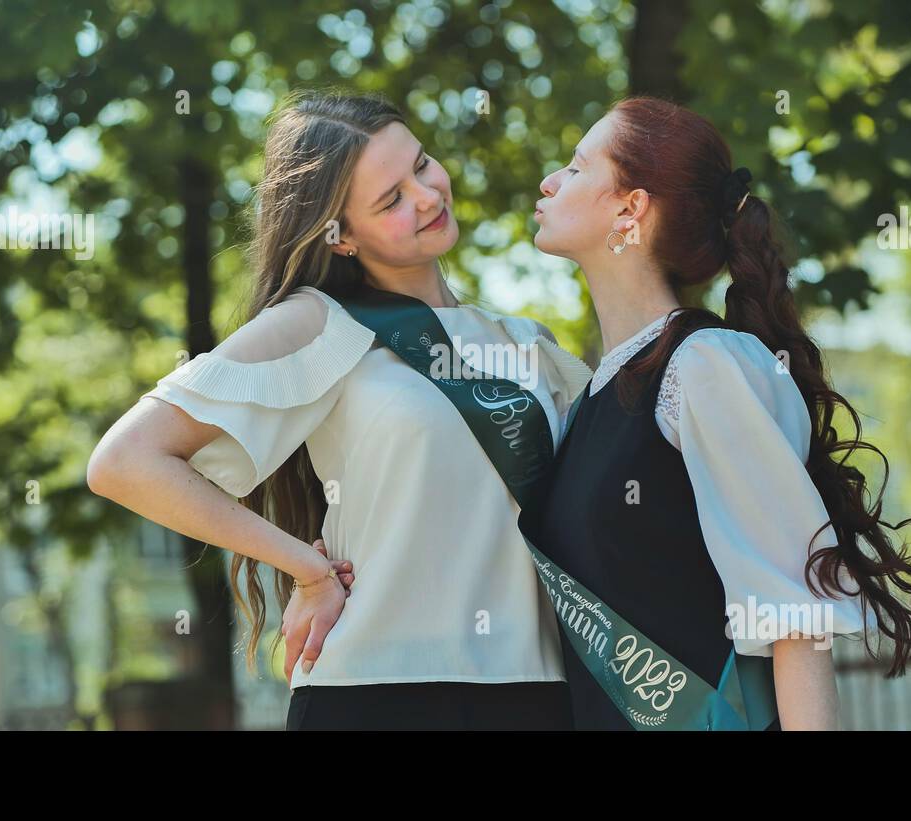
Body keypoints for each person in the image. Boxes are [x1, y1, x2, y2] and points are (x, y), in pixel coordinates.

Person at [88, 90, 593, 730]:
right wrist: (307, 570)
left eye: (422, 164)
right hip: (378, 693)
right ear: (341, 236)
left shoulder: (525, 342)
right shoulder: (320, 324)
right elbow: (124, 462)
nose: (428, 196)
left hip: (537, 693)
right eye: (391, 200)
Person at [520, 96, 911, 730]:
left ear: (630, 207)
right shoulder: (590, 395)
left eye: (575, 165)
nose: (550, 180)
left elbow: (794, 613)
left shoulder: (704, 367)